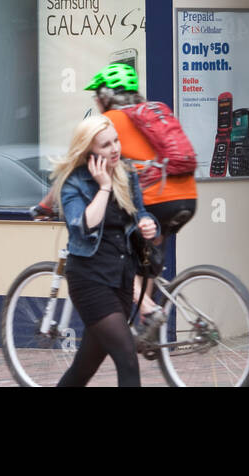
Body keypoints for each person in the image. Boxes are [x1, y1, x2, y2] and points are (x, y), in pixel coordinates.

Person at [85, 63, 197, 324]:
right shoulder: (155, 114)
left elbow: (78, 164)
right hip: (186, 198)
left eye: (96, 97)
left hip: (154, 200)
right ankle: (149, 326)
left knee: (110, 250)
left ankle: (147, 309)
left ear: (104, 98)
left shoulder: (107, 122)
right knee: (144, 259)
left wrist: (47, 204)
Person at [51, 113, 158, 387]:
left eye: (116, 141)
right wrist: (104, 187)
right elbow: (83, 227)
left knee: (83, 368)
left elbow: (140, 214)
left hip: (121, 278)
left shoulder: (126, 172)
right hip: (89, 280)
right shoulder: (74, 182)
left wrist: (148, 224)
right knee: (127, 359)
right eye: (106, 145)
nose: (115, 149)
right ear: (89, 151)